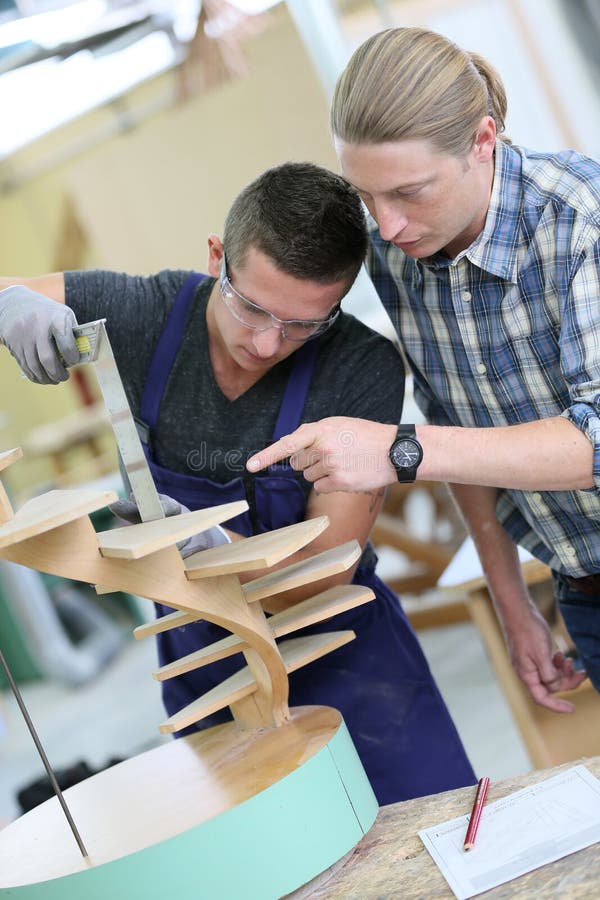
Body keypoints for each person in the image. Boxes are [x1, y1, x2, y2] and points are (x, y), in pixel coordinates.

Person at [0, 161, 476, 805]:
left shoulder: (358, 366)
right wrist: (10, 300)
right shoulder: (148, 314)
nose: (269, 342)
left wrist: (217, 552)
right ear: (216, 256)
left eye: (304, 323)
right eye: (253, 308)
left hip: (347, 664)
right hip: (205, 659)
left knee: (430, 834)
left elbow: (324, 574)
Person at [247, 27, 600, 715]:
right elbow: (454, 416)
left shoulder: (580, 223)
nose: (387, 227)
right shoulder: (399, 248)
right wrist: (510, 594)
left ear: (482, 141)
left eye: (409, 192)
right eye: (367, 196)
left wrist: (397, 449)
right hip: (579, 580)